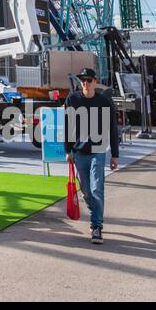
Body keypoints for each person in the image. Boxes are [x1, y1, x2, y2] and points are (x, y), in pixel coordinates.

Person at [64, 69, 120, 245]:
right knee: (86, 191)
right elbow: (67, 126)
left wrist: (115, 155)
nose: (85, 83)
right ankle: (94, 211)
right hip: (79, 152)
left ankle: (97, 226)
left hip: (98, 150)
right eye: (82, 80)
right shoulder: (72, 99)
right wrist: (68, 150)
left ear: (95, 82)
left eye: (88, 80)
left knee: (97, 189)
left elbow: (112, 128)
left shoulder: (104, 102)